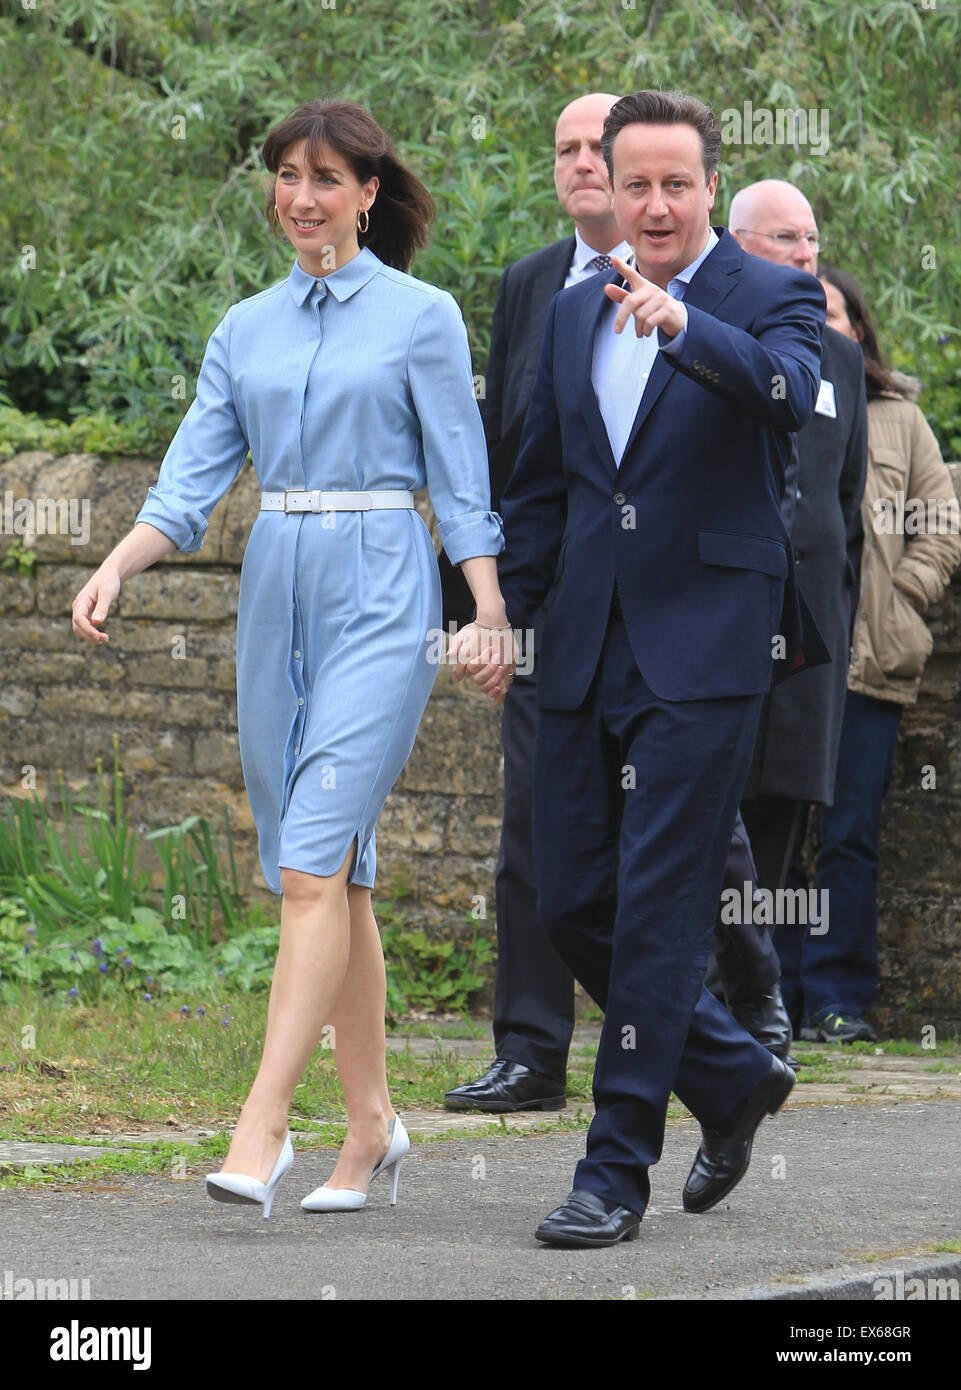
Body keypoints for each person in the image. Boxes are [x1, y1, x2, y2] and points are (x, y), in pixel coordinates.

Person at [71, 99, 517, 1221]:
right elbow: (190, 478)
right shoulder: (245, 327)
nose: (301, 196)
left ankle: (262, 1123)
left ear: (370, 191)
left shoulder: (423, 316)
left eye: (325, 177)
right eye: (285, 176)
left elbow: (460, 481)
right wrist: (119, 565)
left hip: (383, 583)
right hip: (277, 583)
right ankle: (371, 1127)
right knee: (332, 874)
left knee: (313, 862)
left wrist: (489, 608)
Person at [475, 89, 826, 1248]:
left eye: (678, 183)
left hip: (710, 644)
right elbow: (541, 487)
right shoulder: (573, 315)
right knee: (573, 896)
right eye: (637, 183)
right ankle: (728, 1075)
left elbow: (787, 396)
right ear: (607, 190)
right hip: (581, 645)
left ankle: (611, 1170)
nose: (657, 203)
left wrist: (683, 327)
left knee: (662, 910)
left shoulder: (769, 293)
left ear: (710, 187)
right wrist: (496, 614)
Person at [443, 92, 634, 1115]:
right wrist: (489, 608)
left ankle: (734, 1018)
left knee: (684, 830)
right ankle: (529, 1050)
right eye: (563, 147)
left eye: (598, 144)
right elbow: (501, 451)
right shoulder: (525, 285)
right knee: (532, 826)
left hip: (657, 608)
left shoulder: (694, 279)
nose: (581, 162)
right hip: (547, 603)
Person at [705, 180, 868, 1043]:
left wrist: (834, 624)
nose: (806, 255)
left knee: (773, 814)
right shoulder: (706, 340)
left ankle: (748, 1001)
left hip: (806, 636)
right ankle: (687, 996)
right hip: (721, 621)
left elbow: (846, 511)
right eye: (784, 240)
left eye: (810, 239)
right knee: (706, 805)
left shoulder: (840, 363)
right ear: (737, 247)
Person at [789, 263, 961, 1041]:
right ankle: (771, 996)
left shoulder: (901, 418)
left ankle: (835, 999)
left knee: (849, 835)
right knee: (776, 839)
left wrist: (906, 595)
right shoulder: (779, 396)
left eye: (834, 315)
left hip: (871, 666)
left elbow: (941, 520)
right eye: (808, 315)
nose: (823, 328)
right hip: (789, 663)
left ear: (858, 328)